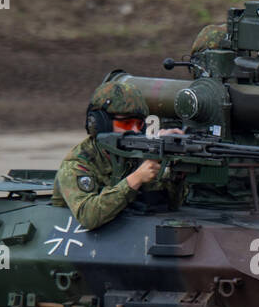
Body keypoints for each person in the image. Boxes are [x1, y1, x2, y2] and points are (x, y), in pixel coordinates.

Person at [50, 78, 185, 230]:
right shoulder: (78, 163)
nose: (134, 131)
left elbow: (171, 205)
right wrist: (135, 179)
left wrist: (174, 170)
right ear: (100, 123)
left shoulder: (135, 156)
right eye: (126, 123)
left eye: (139, 124)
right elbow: (88, 216)